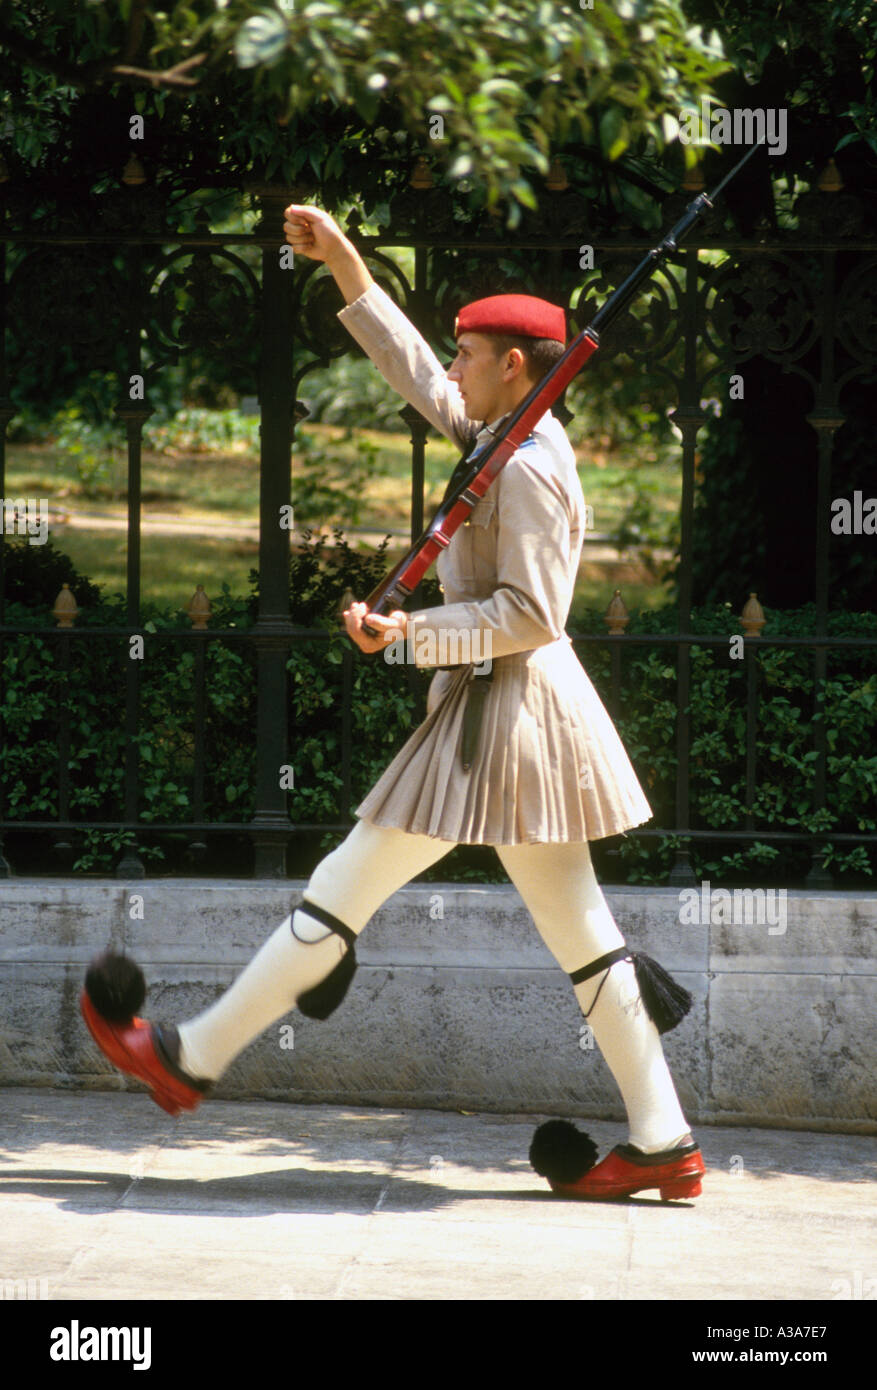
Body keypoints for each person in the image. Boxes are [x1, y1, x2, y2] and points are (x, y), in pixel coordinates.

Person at [80, 203, 705, 1202]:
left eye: (469, 354)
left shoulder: (532, 468)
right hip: (505, 713)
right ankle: (664, 1140)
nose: (451, 368)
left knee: (345, 878)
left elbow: (532, 614)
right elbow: (413, 371)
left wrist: (409, 634)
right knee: (584, 935)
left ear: (513, 366)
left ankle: (188, 1058)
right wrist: (349, 269)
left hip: (507, 714)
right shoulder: (503, 430)